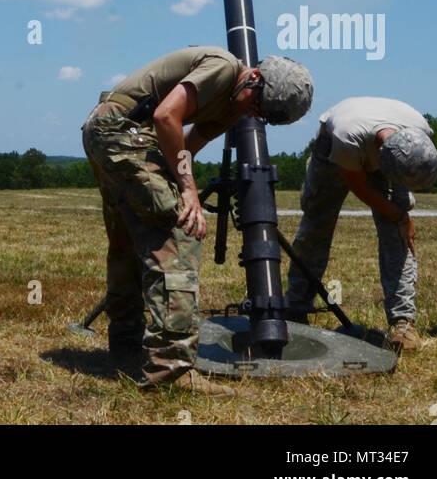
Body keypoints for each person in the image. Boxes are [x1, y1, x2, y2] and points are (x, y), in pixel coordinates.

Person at [81, 45, 313, 392]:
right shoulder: (222, 68)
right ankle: (170, 370)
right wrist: (186, 188)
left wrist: (174, 179)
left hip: (114, 134)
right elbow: (165, 117)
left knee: (128, 238)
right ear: (254, 77)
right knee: (180, 230)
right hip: (121, 130)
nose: (252, 112)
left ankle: (125, 345)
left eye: (262, 114)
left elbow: (193, 139)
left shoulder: (237, 106)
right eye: (255, 102)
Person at [282, 97, 437, 352]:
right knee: (317, 224)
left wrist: (400, 217)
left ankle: (403, 322)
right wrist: (400, 214)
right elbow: (360, 186)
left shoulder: (420, 133)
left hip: (389, 143)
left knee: (397, 234)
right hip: (333, 143)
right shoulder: (347, 137)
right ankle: (295, 308)